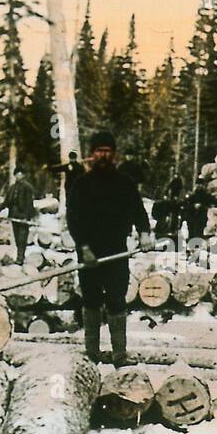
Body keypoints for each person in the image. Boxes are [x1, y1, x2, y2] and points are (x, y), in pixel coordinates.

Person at [65, 130, 152, 366]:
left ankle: (119, 355)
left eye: (107, 151)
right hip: (89, 254)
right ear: (91, 155)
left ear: (114, 154)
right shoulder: (81, 184)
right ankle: (91, 354)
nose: (103, 155)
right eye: (98, 151)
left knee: (116, 300)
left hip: (117, 251)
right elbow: (73, 219)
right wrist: (83, 248)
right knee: (91, 300)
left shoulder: (125, 183)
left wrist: (145, 233)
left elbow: (138, 212)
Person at [2, 169, 37, 265]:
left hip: (23, 217)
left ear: (23, 175)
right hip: (14, 216)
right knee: (17, 238)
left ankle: (20, 258)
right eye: (17, 174)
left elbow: (30, 203)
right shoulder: (12, 188)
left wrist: (28, 216)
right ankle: (20, 256)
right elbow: (7, 201)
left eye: (20, 174)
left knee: (22, 238)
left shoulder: (27, 187)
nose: (18, 176)